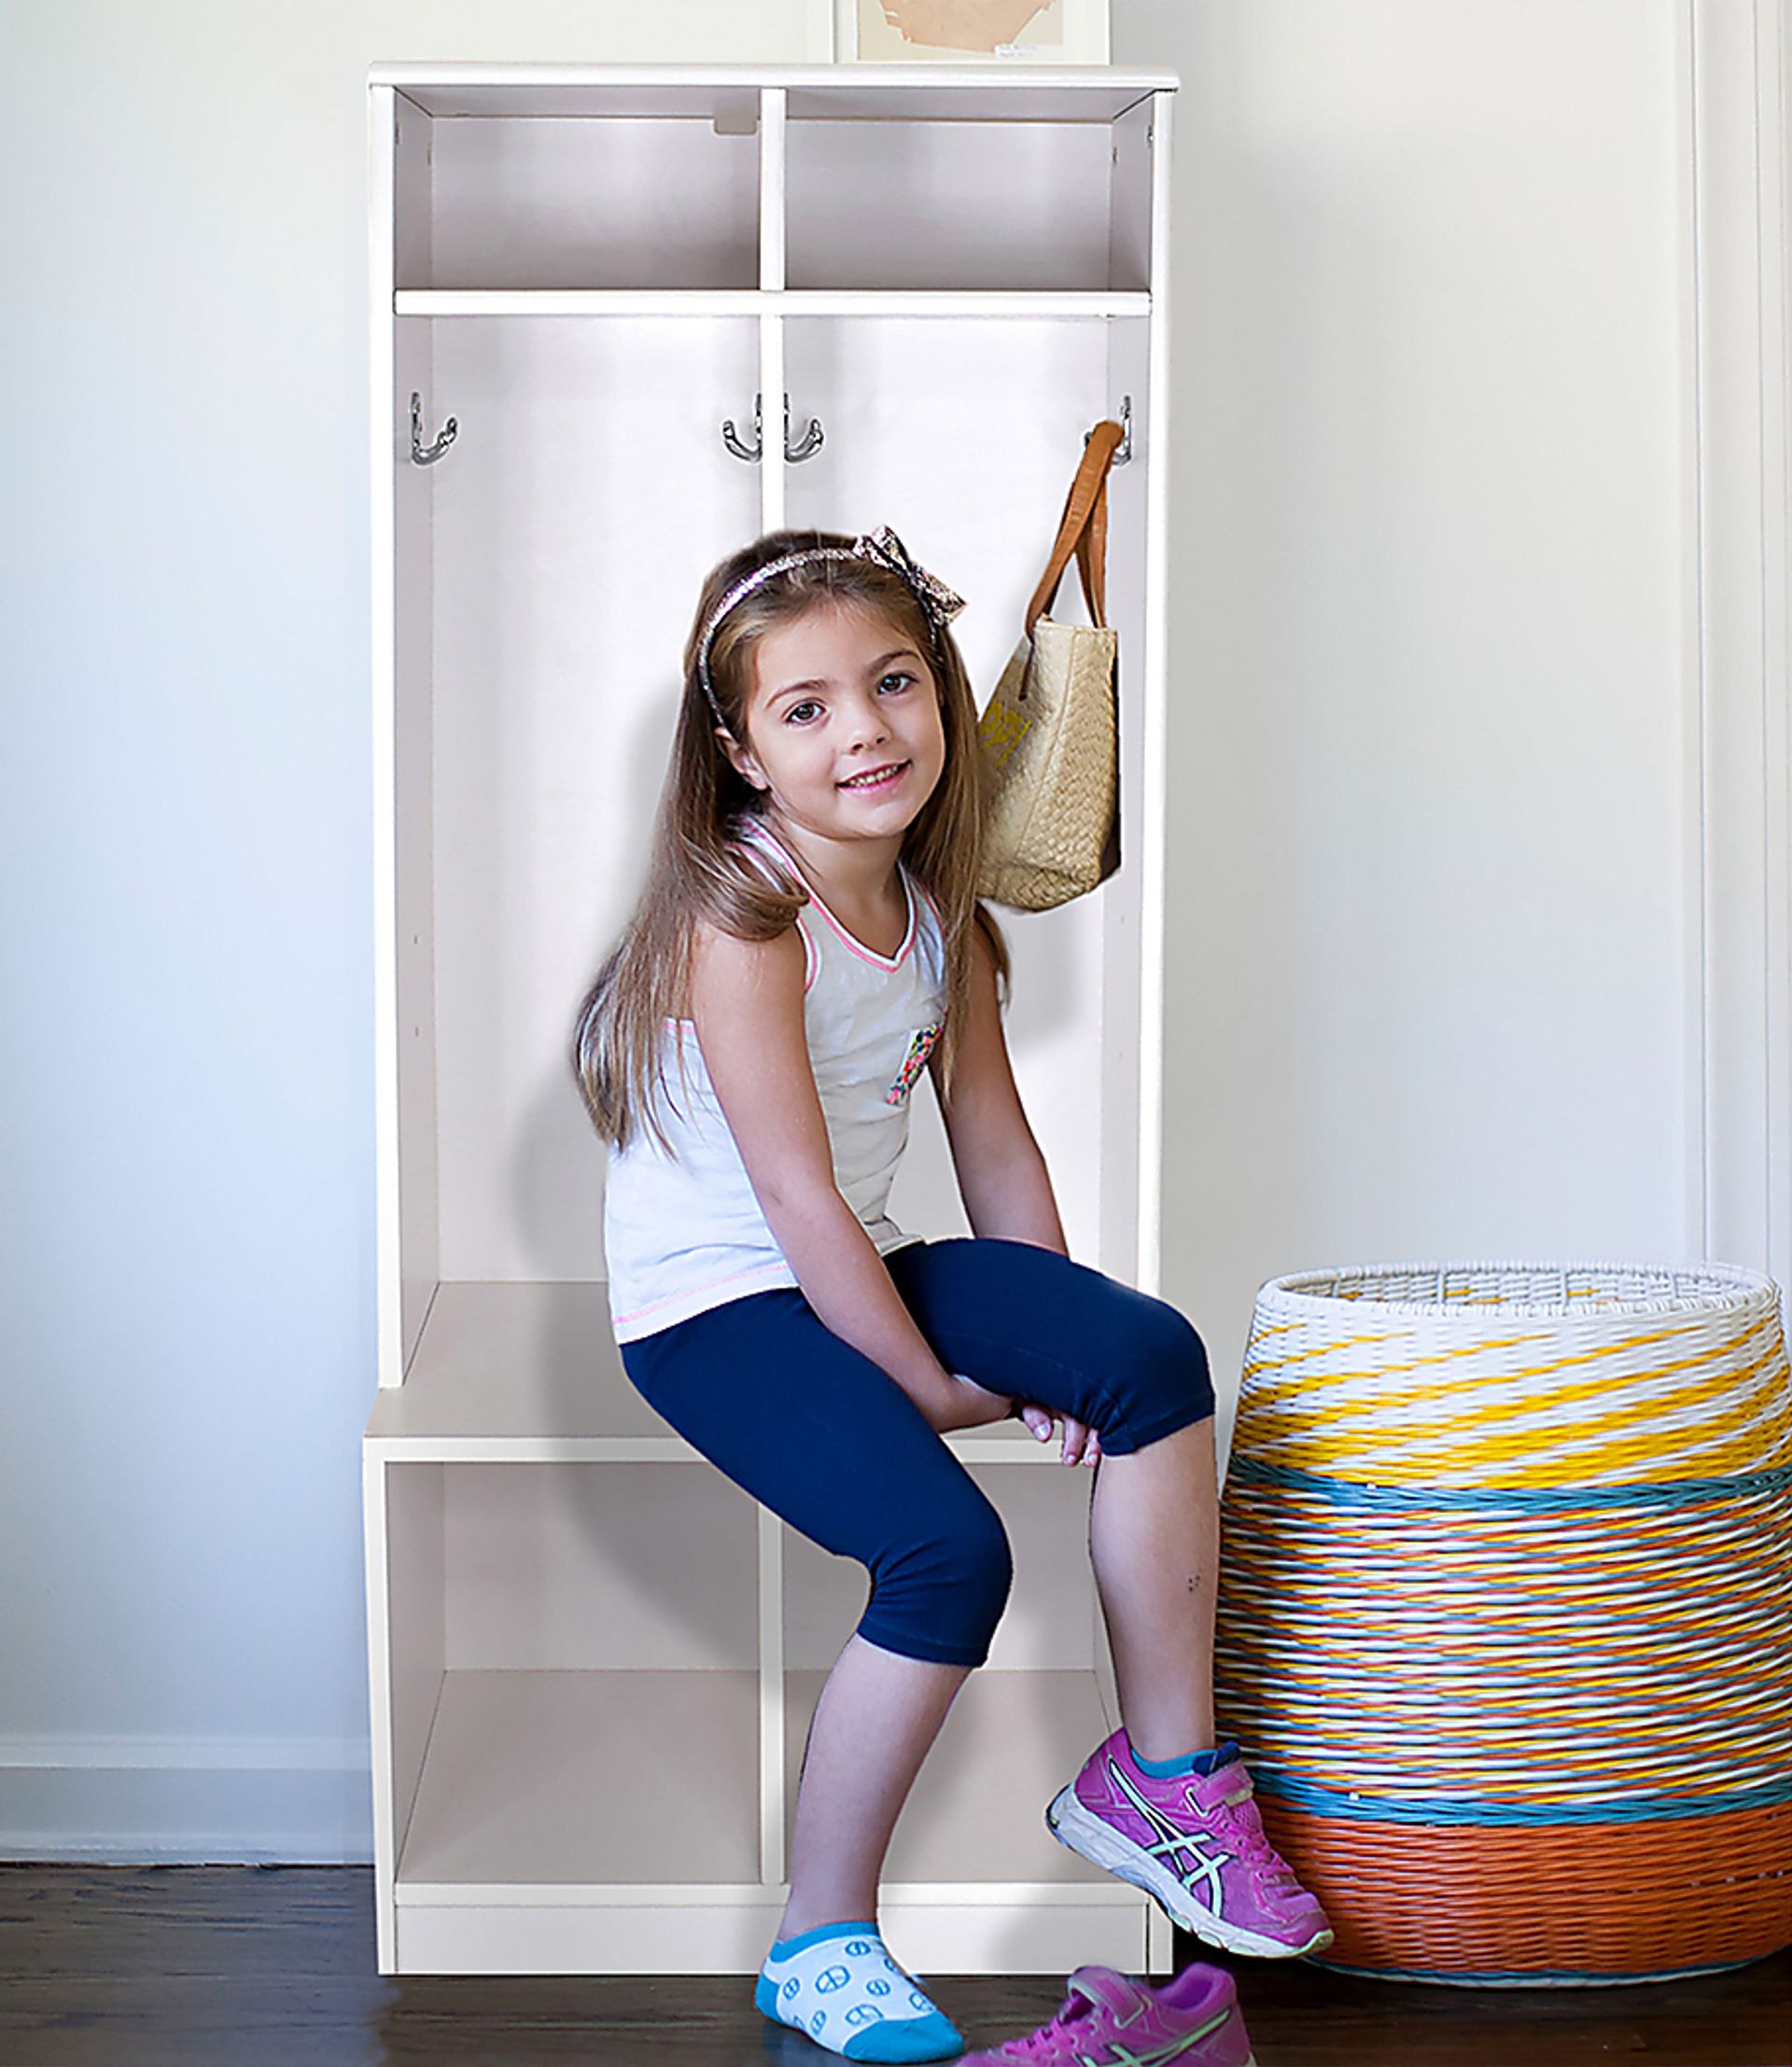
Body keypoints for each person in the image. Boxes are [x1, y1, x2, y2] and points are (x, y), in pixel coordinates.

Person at [569, 525, 1330, 2064]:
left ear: (942, 694)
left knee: (1148, 1352)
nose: (864, 730)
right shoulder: (744, 920)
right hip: (713, 1309)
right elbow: (791, 1198)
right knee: (944, 1550)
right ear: (741, 756)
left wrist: (1054, 1340)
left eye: (895, 682)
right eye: (806, 709)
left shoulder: (942, 915)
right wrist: (927, 1387)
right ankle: (818, 1939)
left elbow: (993, 1137)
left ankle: (1165, 1782)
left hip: (849, 1255)